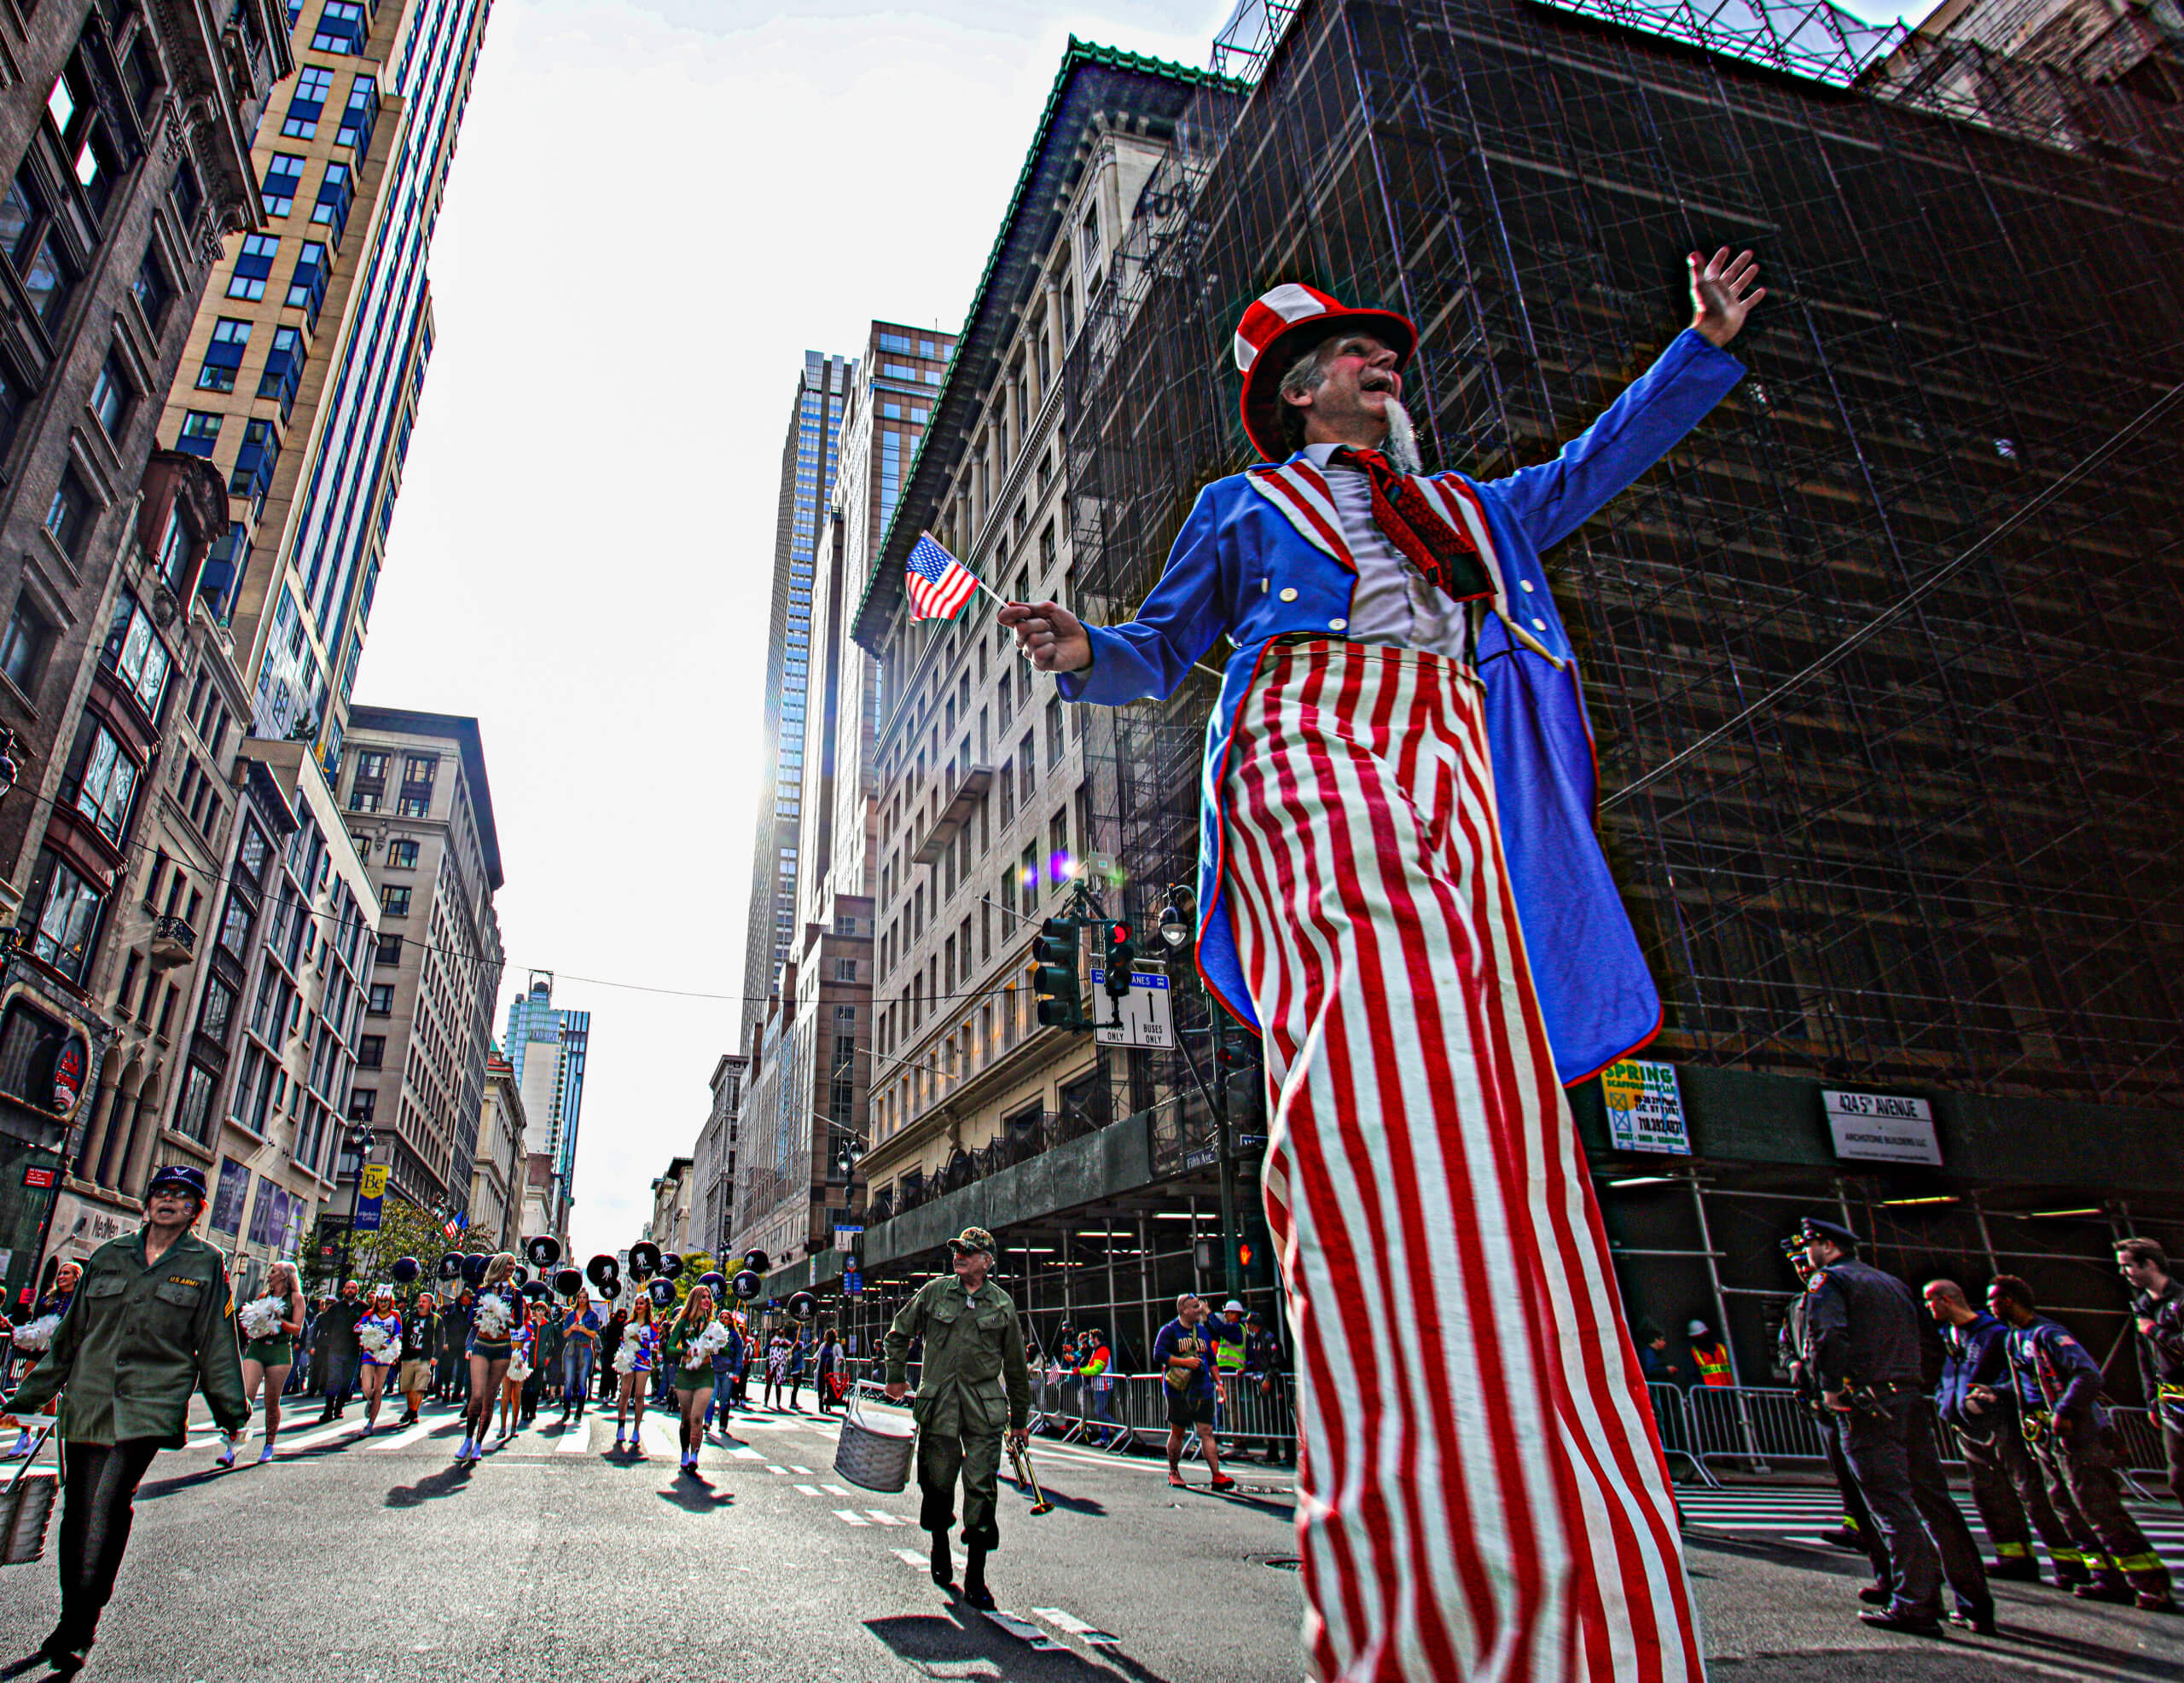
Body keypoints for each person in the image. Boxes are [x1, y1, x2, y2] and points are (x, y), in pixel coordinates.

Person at [1000, 251, 1764, 1680]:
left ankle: (1534, 1474)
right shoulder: (1243, 506)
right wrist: (1079, 644)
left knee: (1489, 1057)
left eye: (1386, 354)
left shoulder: (1464, 508)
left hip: (1451, 748)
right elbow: (1161, 646)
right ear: (1301, 393)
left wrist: (1698, 346)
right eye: (1359, 355)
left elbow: (1593, 465)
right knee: (1378, 999)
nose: (1387, 364)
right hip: (1312, 737)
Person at [0, 1165, 247, 1677]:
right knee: (80, 1511)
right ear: (147, 1201)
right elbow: (70, 1336)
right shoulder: (109, 1256)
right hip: (88, 1400)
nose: (168, 1201)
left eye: (182, 1196)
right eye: (161, 1192)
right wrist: (27, 1398)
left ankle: (81, 1626)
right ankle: (72, 1616)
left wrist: (231, 1411)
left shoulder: (206, 1263)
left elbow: (217, 1341)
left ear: (197, 1210)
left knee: (107, 1504)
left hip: (149, 1404)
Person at [1798, 1217, 1991, 1636]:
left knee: (1891, 1506)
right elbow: (1930, 1342)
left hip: (1868, 1402)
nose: (1806, 1253)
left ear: (1827, 1246)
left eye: (1809, 1244)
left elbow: (1829, 1335)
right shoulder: (1892, 1284)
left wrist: (1830, 1389)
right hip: (1907, 1397)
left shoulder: (1828, 1282)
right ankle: (1975, 1603)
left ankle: (1915, 1604)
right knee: (1936, 1503)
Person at [1989, 1274, 2175, 1611]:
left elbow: (2088, 1375)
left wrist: (2065, 1411)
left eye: (1994, 1299)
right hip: (2045, 1437)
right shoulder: (2014, 1339)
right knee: (2067, 1508)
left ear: (2011, 1300)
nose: (1990, 1306)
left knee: (2098, 1508)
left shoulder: (2049, 1334)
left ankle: (2152, 1584)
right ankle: (2106, 1578)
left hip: (2077, 1436)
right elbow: (2024, 1386)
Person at [886, 1229, 1030, 1613]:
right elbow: (898, 1333)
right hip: (940, 1407)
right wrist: (895, 1376)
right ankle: (939, 1544)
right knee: (936, 1485)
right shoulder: (934, 1293)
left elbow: (1017, 1368)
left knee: (982, 1489)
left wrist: (1020, 1420)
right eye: (957, 1250)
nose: (959, 1256)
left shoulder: (1001, 1305)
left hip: (983, 1410)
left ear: (987, 1261)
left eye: (969, 1251)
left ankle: (976, 1576)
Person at [1924, 1279, 2072, 1585]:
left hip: (2000, 1424)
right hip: (1967, 1427)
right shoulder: (1949, 1335)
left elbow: (2021, 1376)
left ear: (1947, 1300)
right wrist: (1946, 1403)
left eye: (1930, 1300)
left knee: (2030, 1493)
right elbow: (1946, 1377)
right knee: (1989, 1494)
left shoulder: (1995, 1334)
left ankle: (2069, 1563)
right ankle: (2014, 1559)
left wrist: (1992, 1396)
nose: (1927, 1307)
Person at [1777, 1237, 1890, 1588]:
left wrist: (1833, 1383)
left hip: (1845, 1395)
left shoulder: (1834, 1294)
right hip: (1819, 1399)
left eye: (1804, 1261)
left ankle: (1887, 1556)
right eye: (1796, 1265)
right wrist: (1793, 1364)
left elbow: (1834, 1339)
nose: (1802, 1269)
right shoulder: (1797, 1305)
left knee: (1869, 1477)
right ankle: (1860, 1530)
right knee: (1844, 1471)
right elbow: (1786, 1344)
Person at [2117, 1237, 2184, 1506]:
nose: (2123, 1272)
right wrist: (2151, 1400)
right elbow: (2145, 1357)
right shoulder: (2142, 1305)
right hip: (2170, 1402)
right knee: (2179, 1479)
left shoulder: (2180, 1300)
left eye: (2128, 1265)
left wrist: (2154, 1331)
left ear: (2150, 1264)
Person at [224, 1259, 305, 1467]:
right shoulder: (263, 1296)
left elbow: (297, 1329)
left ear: (284, 1276)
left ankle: (269, 1445)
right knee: (246, 1397)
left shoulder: (296, 1298)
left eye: (274, 1271)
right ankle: (233, 1447)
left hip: (279, 1350)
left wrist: (277, 1319)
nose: (269, 1275)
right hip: (258, 1348)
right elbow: (249, 1321)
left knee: (271, 1400)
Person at [1154, 1294, 1234, 1492]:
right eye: (1195, 1306)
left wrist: (1219, 1382)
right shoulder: (1169, 1330)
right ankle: (1174, 1472)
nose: (1199, 1309)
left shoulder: (1203, 1331)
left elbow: (1211, 1359)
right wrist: (1184, 1362)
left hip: (1203, 1389)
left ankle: (1216, 1475)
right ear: (1183, 1310)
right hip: (1178, 1391)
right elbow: (1159, 1354)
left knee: (1207, 1431)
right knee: (1178, 1431)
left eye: (1199, 1306)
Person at [7, 1262, 78, 1459]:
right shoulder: (49, 1298)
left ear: (76, 1277)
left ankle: (40, 1438)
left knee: (49, 1396)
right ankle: (24, 1435)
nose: (61, 1276)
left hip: (59, 1352)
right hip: (39, 1348)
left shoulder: (78, 1301)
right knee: (25, 1390)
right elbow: (37, 1321)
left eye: (66, 1273)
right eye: (60, 1273)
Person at [458, 1254, 522, 1464]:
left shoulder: (516, 1292)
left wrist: (506, 1319)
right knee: (476, 1396)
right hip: (482, 1345)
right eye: (509, 1264)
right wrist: (485, 1317)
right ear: (499, 1266)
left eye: (514, 1265)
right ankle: (468, 1439)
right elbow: (471, 1318)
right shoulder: (483, 1290)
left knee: (489, 1398)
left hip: (502, 1347)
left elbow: (519, 1322)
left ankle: (479, 1443)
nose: (512, 1267)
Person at [661, 1284, 721, 1472]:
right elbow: (670, 1348)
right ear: (695, 1300)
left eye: (709, 1297)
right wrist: (684, 1352)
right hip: (686, 1372)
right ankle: (684, 1453)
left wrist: (718, 1347)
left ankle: (695, 1454)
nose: (707, 1300)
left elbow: (724, 1348)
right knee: (686, 1418)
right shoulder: (683, 1323)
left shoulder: (713, 1325)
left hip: (704, 1373)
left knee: (697, 1417)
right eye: (703, 1297)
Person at [612, 1296, 658, 1456]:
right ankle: (621, 1426)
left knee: (639, 1395)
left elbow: (656, 1345)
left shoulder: (652, 1326)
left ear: (647, 1306)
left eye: (641, 1304)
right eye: (637, 1303)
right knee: (624, 1393)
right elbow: (622, 1341)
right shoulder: (628, 1323)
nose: (638, 1306)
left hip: (643, 1362)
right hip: (628, 1360)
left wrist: (641, 1341)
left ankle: (636, 1430)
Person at [314, 1279, 364, 1422]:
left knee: (347, 1381)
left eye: (353, 1288)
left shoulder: (363, 1308)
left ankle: (339, 1408)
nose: (350, 1290)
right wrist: (329, 1340)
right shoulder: (336, 1307)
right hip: (335, 1349)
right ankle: (328, 1410)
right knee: (333, 1379)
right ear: (343, 1290)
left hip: (353, 1350)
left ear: (357, 1291)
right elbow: (325, 1325)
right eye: (348, 1287)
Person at [355, 1288, 403, 1436]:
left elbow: (399, 1333)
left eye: (386, 1301)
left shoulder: (395, 1315)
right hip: (370, 1352)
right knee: (366, 1387)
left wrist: (387, 1342)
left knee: (378, 1388)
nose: (383, 1304)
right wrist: (368, 1331)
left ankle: (370, 1424)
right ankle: (370, 1400)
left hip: (385, 1353)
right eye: (380, 1301)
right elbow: (356, 1327)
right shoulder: (369, 1314)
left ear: (390, 1301)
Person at [560, 1290, 601, 1425]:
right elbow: (564, 1334)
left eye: (584, 1297)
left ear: (587, 1299)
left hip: (585, 1347)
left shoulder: (592, 1315)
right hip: (571, 1347)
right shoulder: (571, 1315)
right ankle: (566, 1409)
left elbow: (594, 1334)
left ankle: (579, 1411)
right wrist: (572, 1328)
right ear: (577, 1299)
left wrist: (584, 1330)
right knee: (568, 1380)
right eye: (580, 1297)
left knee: (582, 1381)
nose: (582, 1300)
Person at [398, 1291, 439, 1426]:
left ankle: (414, 1412)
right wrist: (400, 1354)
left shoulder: (435, 1320)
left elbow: (440, 1339)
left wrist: (436, 1356)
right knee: (408, 1386)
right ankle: (410, 1409)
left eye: (424, 1302)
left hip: (425, 1357)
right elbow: (403, 1336)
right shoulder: (409, 1318)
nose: (421, 1304)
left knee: (420, 1387)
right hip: (408, 1356)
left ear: (430, 1304)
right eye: (420, 1301)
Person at [710, 1309, 746, 1436]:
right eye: (721, 1317)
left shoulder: (734, 1336)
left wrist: (737, 1372)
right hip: (714, 1369)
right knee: (711, 1397)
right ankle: (707, 1422)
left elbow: (739, 1355)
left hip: (727, 1371)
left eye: (726, 1318)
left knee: (724, 1400)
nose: (723, 1320)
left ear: (730, 1321)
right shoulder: (713, 1333)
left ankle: (723, 1424)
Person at [434, 1288, 470, 1402]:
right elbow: (444, 1325)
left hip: (464, 1344)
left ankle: (457, 1393)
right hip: (451, 1342)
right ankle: (446, 1391)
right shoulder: (452, 1308)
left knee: (461, 1370)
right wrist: (445, 1342)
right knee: (447, 1368)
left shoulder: (470, 1309)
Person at [1687, 1320, 1733, 1388]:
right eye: (1698, 1337)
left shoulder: (1722, 1348)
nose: (1702, 1339)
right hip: (1710, 1392)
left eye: (1703, 1335)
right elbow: (1692, 1375)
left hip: (1729, 1389)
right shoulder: (1694, 1353)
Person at [597, 1306, 624, 1404]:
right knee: (606, 1374)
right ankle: (605, 1393)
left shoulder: (623, 1327)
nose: (621, 1319)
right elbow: (606, 1339)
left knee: (614, 1375)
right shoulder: (610, 1326)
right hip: (608, 1352)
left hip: (618, 1353)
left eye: (623, 1317)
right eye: (620, 1316)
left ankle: (613, 1392)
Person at [816, 1325, 845, 1415]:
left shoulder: (836, 1346)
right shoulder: (823, 1345)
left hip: (831, 1369)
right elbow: (818, 1354)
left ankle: (828, 1403)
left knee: (830, 1386)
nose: (825, 1337)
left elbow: (840, 1355)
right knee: (821, 1385)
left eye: (826, 1336)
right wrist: (814, 1358)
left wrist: (839, 1359)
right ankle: (821, 1400)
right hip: (822, 1367)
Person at [764, 1329, 790, 1410]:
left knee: (778, 1385)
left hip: (779, 1368)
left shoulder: (783, 1348)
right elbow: (765, 1352)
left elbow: (788, 1354)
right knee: (769, 1384)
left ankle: (778, 1403)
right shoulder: (770, 1347)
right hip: (770, 1366)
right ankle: (766, 1401)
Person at [786, 1327, 810, 1412]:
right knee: (795, 1388)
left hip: (794, 1372)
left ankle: (794, 1402)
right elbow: (805, 1349)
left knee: (795, 1388)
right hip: (797, 1372)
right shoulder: (798, 1353)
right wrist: (812, 1343)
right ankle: (792, 1403)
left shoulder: (793, 1353)